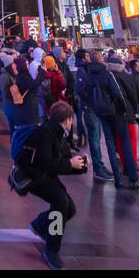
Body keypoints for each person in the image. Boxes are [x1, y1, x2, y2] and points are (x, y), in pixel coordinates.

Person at [19, 100, 88, 269]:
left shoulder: (57, 132)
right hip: (33, 178)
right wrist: (70, 165)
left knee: (69, 209)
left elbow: (60, 159)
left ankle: (40, 224)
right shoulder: (45, 133)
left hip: (44, 176)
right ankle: (52, 249)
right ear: (68, 120)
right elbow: (46, 163)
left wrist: (78, 166)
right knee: (61, 204)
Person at [79, 51, 139, 191]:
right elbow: (117, 93)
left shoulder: (89, 76)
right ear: (100, 60)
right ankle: (133, 179)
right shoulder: (107, 74)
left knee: (110, 144)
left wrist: (94, 107)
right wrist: (123, 109)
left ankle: (118, 179)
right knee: (125, 143)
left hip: (101, 114)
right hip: (116, 112)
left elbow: (83, 93)